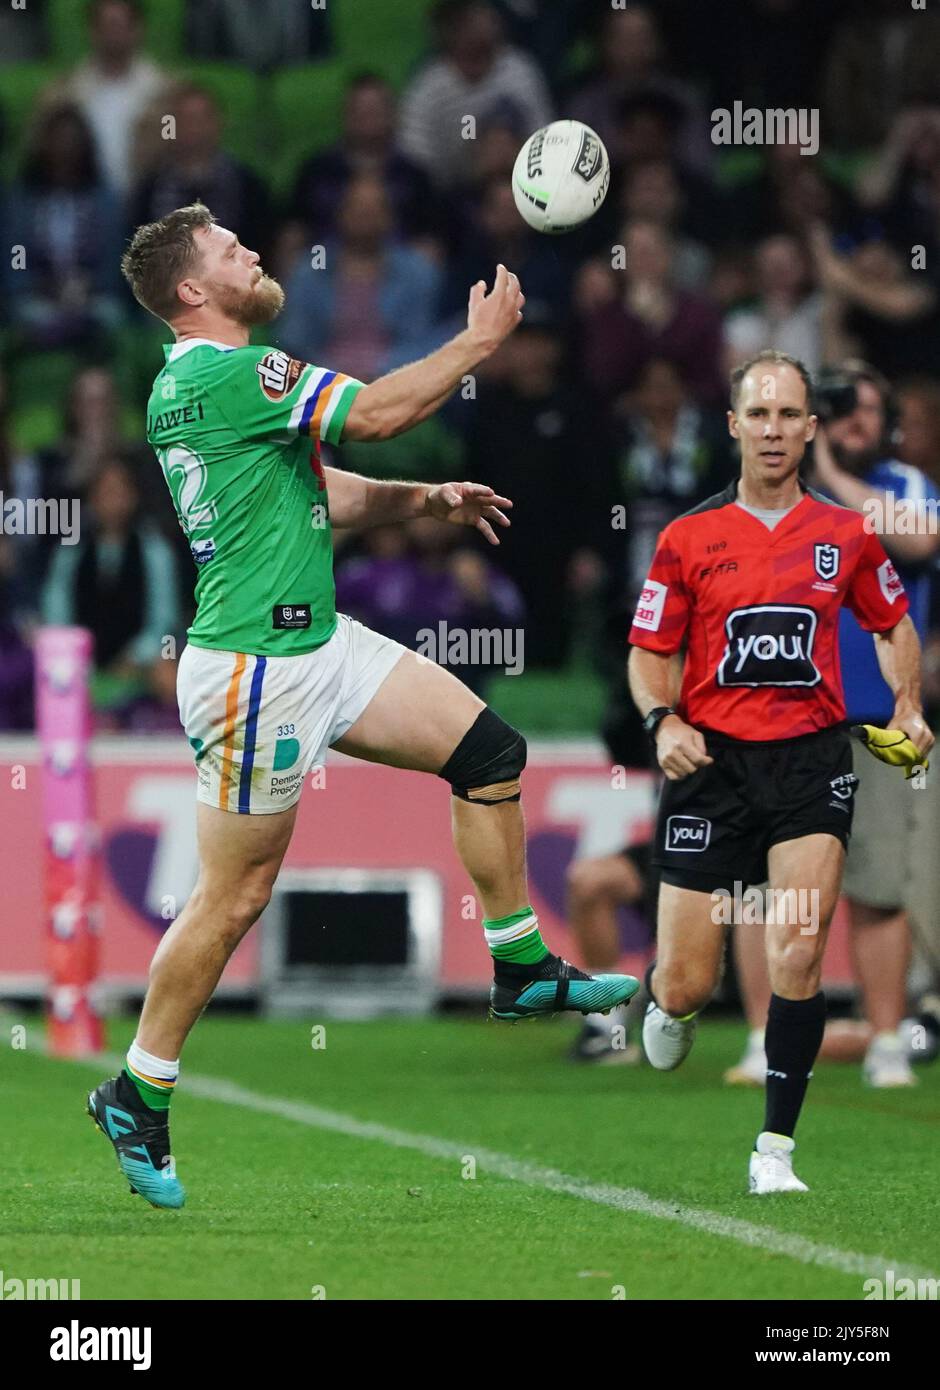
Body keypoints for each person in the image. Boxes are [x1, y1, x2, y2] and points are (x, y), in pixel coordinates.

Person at [86, 202, 638, 1209]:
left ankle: (519, 965)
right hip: (258, 667)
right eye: (228, 250)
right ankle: (139, 1088)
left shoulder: (202, 387)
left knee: (487, 752)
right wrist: (477, 342)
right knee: (233, 899)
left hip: (314, 640)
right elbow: (377, 413)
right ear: (192, 292)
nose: (252, 250)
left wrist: (421, 502)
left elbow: (323, 490)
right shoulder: (221, 371)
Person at [628, 349, 933, 1193]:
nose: (773, 429)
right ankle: (667, 1002)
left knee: (799, 950)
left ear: (809, 428)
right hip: (710, 769)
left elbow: (893, 622)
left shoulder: (846, 533)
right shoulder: (688, 538)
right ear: (733, 426)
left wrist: (906, 703)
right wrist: (662, 721)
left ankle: (774, 1152)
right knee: (690, 982)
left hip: (809, 764)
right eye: (757, 414)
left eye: (789, 415)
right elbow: (649, 653)